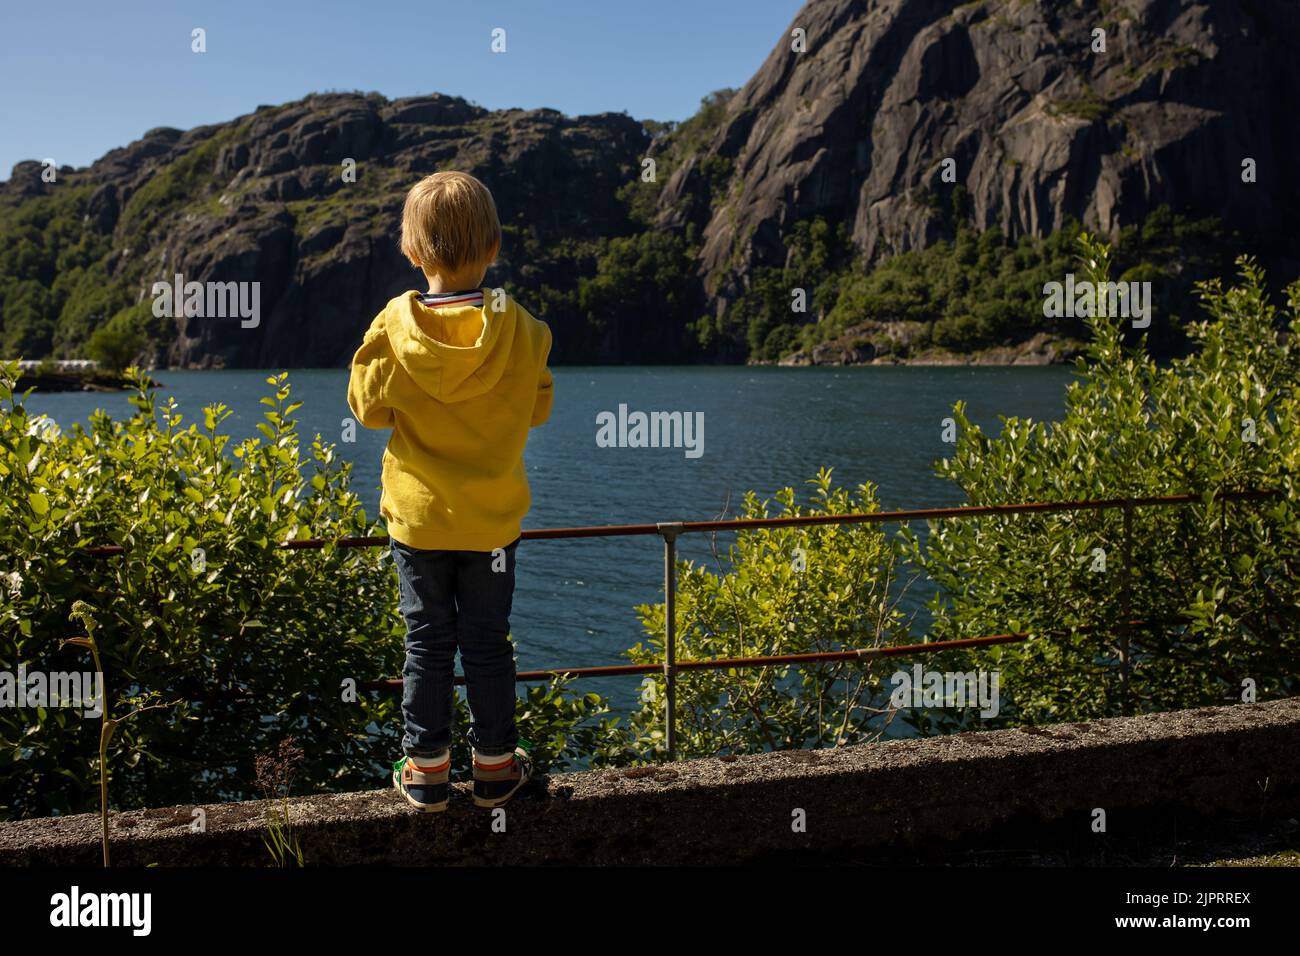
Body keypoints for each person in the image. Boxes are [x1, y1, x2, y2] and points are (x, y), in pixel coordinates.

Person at [347, 170, 554, 812]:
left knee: (426, 642)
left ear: (413, 252)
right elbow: (538, 409)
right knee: (488, 641)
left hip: (418, 523)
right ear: (492, 248)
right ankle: (495, 768)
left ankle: (426, 770)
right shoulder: (522, 329)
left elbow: (368, 408)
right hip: (491, 525)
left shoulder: (393, 326)